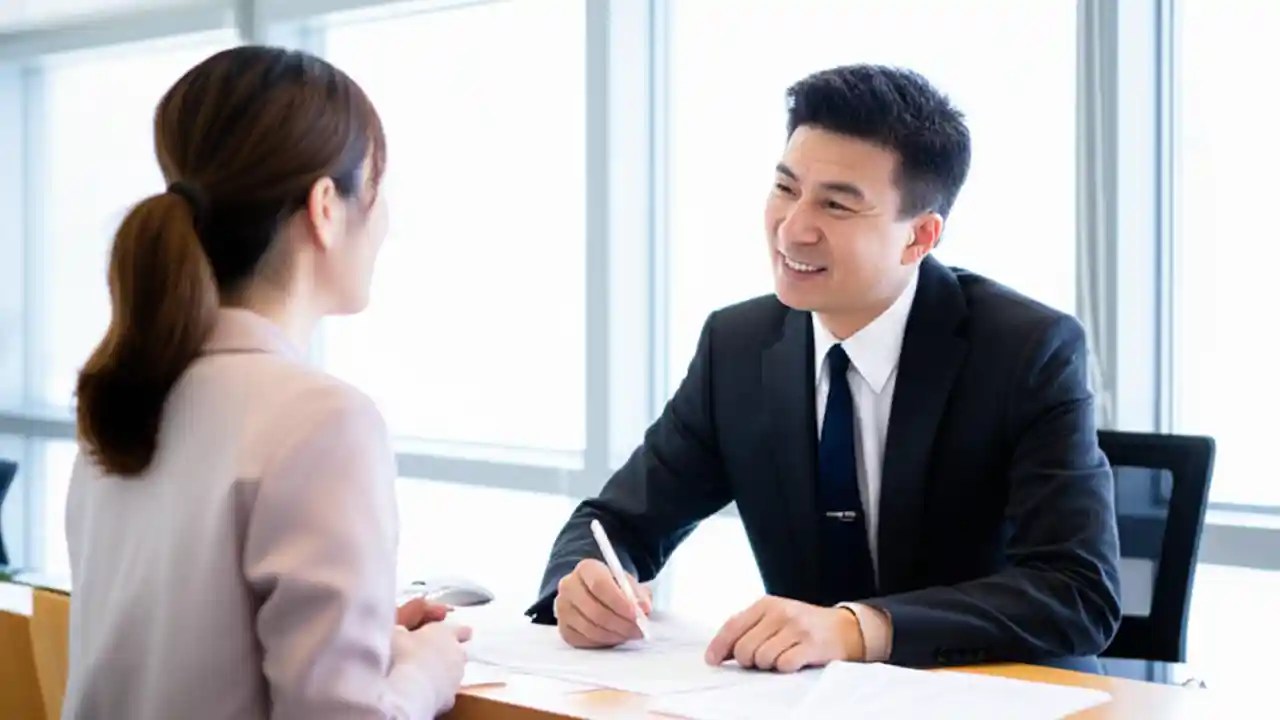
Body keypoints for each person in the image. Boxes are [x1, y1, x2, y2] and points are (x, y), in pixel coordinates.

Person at [528, 64, 1121, 674]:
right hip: (808, 700)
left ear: (918, 237)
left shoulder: (1028, 350)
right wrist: (587, 586)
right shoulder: (737, 346)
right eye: (786, 189)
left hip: (994, 694)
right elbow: (616, 521)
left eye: (836, 205)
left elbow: (1075, 590)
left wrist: (856, 628)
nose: (793, 228)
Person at [63, 46, 468, 719]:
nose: (386, 218)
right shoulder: (321, 420)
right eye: (373, 185)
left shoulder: (126, 396)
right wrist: (424, 673)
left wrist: (360, 637)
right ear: (324, 207)